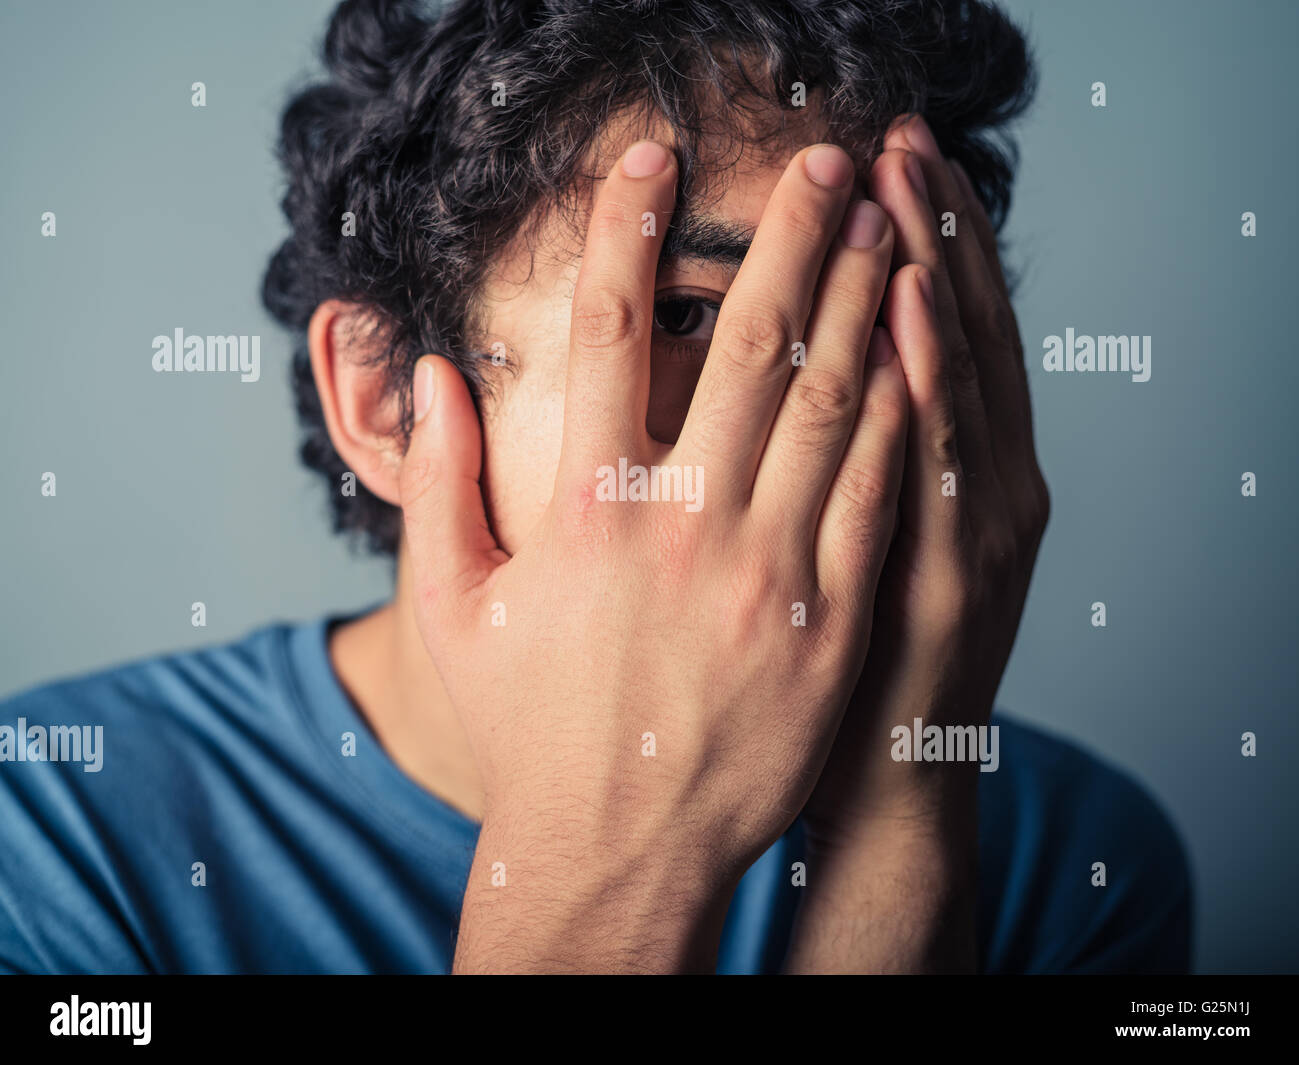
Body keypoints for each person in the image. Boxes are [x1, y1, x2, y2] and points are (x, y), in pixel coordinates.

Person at [0, 0, 1190, 974]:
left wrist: (899, 842)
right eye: (687, 315)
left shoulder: (1070, 865)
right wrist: (610, 867)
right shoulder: (53, 839)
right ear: (383, 398)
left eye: (876, 316)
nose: (820, 411)